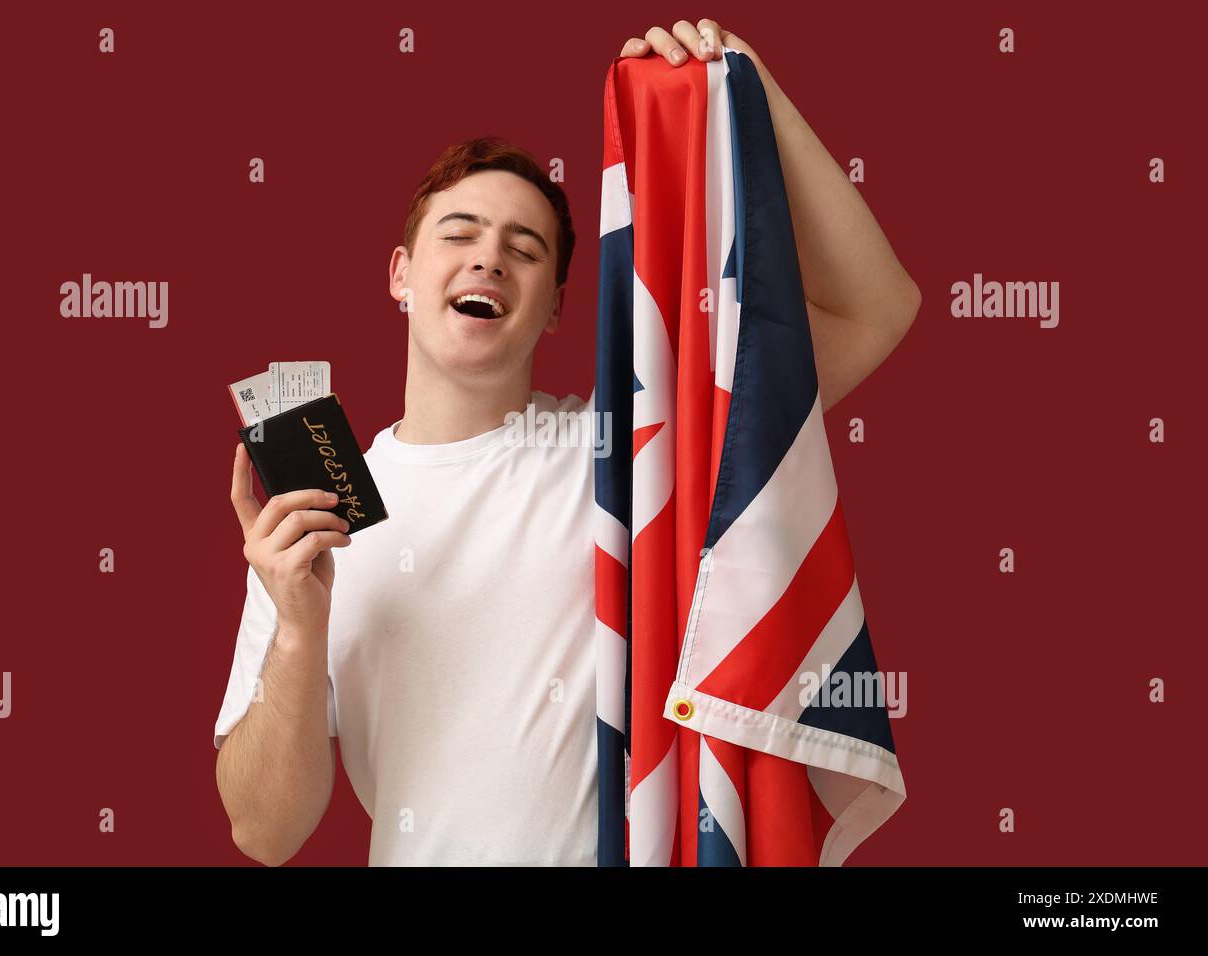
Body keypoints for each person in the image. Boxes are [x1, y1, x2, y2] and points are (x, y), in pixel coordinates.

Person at [213, 18, 921, 867]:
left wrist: (748, 88)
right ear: (401, 274)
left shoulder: (630, 453)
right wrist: (297, 622)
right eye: (460, 233)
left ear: (553, 306)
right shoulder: (312, 519)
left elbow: (875, 311)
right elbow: (264, 830)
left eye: (525, 248)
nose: (489, 261)